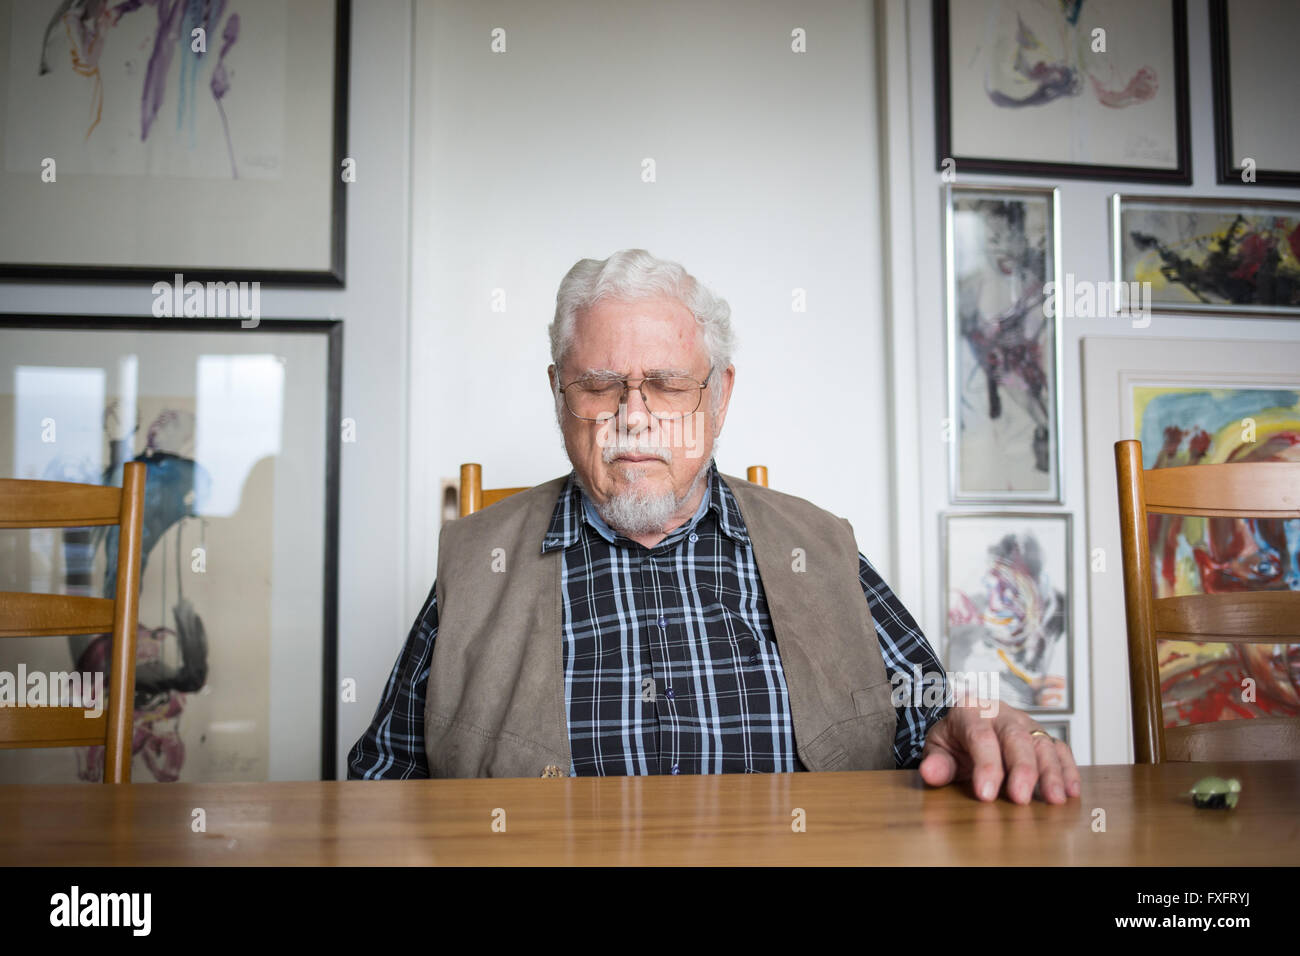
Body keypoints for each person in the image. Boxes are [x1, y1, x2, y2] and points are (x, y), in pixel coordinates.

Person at [349, 249, 1080, 804]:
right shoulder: (479, 563)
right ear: (558, 395)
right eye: (599, 385)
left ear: (720, 396)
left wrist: (985, 724)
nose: (634, 416)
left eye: (667, 384)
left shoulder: (818, 548)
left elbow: (934, 723)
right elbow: (379, 786)